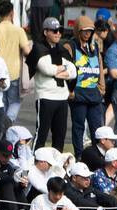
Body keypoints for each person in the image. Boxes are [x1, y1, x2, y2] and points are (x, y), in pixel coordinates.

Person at [28, 17, 73, 151]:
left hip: (62, 98)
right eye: (54, 31)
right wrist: (63, 68)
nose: (58, 33)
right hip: (46, 97)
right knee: (41, 134)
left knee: (60, 136)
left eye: (60, 30)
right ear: (45, 32)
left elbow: (74, 71)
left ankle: (57, 167)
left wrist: (59, 70)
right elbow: (47, 69)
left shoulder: (62, 49)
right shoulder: (38, 48)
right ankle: (34, 162)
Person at [64, 16, 106, 154]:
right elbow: (64, 69)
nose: (87, 34)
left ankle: (96, 156)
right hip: (78, 93)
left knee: (97, 128)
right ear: (78, 31)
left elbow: (100, 67)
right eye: (84, 31)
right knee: (78, 127)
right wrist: (70, 92)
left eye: (90, 31)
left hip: (94, 93)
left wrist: (101, 89)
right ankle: (79, 155)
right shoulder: (70, 46)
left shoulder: (94, 47)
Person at [0, 1, 31, 126]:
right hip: (13, 72)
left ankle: (1, 126)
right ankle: (7, 123)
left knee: (1, 102)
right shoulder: (18, 31)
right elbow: (27, 51)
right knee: (14, 102)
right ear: (12, 13)